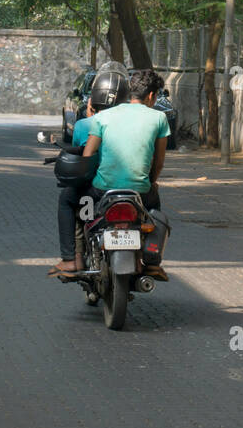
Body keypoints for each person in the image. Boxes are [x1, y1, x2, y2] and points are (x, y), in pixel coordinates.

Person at [51, 66, 169, 276]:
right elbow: (158, 161)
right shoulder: (158, 118)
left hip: (102, 190)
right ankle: (151, 262)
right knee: (155, 212)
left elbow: (87, 156)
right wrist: (151, 182)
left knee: (67, 200)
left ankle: (70, 260)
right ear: (151, 96)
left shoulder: (102, 117)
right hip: (140, 191)